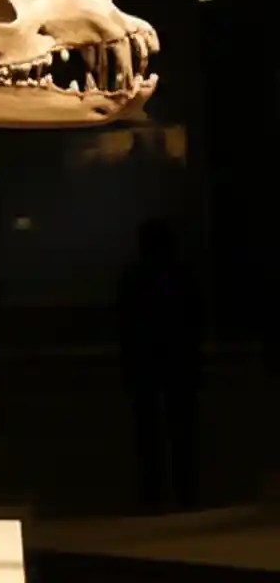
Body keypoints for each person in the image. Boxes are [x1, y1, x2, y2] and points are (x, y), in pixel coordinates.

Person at [116, 217, 204, 512]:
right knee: (181, 432)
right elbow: (194, 322)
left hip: (146, 364)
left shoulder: (134, 277)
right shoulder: (182, 275)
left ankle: (153, 494)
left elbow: (125, 325)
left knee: (149, 434)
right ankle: (185, 492)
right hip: (177, 363)